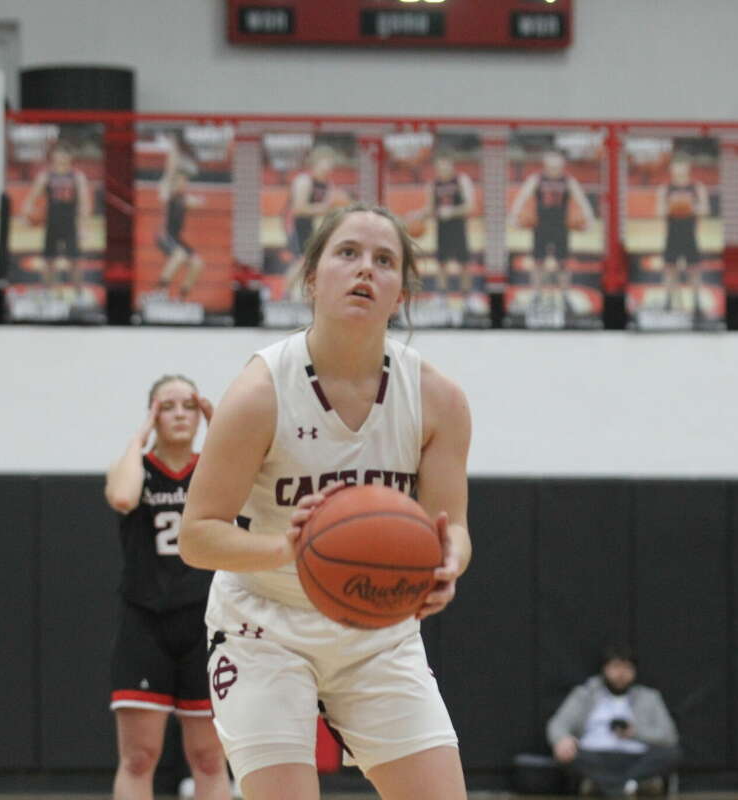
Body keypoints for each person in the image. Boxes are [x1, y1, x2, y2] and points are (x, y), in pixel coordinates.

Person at [180, 202, 473, 800]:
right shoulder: (260, 392)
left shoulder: (437, 398)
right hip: (263, 625)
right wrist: (289, 550)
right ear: (313, 279)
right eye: (348, 253)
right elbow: (197, 535)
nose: (365, 268)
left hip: (378, 625)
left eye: (384, 260)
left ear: (401, 292)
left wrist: (446, 565)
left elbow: (455, 527)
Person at [104, 375, 230, 800]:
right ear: (153, 416)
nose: (179, 414)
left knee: (209, 760)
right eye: (167, 406)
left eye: (189, 406)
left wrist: (222, 428)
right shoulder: (134, 470)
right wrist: (138, 438)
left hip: (205, 625)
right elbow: (123, 497)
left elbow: (256, 478)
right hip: (146, 624)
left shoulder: (213, 470)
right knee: (139, 758)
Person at [546, 645, 681, 797]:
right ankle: (630, 786)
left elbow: (670, 736)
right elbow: (557, 724)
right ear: (604, 669)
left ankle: (604, 786)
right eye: (616, 667)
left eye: (627, 668)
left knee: (672, 754)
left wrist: (635, 732)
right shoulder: (585, 694)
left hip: (635, 757)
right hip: (595, 756)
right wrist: (562, 739)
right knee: (566, 754)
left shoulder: (649, 697)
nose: (621, 674)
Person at [507, 148, 594, 304]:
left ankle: (565, 294)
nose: (554, 169)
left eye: (557, 166)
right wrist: (513, 215)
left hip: (560, 225)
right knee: (538, 261)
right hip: (541, 225)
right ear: (545, 165)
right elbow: (522, 197)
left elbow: (581, 200)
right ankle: (536, 293)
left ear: (562, 165)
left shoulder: (568, 180)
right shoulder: (536, 179)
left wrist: (590, 219)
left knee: (562, 263)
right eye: (551, 166)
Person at [410, 152, 480, 310]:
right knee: (441, 263)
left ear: (451, 164)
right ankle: (441, 296)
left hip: (458, 227)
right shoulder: (433, 185)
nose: (442, 168)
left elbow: (471, 206)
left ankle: (467, 297)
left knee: (464, 263)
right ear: (436, 167)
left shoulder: (461, 180)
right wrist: (418, 214)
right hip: (442, 228)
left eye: (445, 164)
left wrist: (452, 211)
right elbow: (430, 209)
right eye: (439, 166)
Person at [19, 141, 93, 290]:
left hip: (70, 223)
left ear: (70, 157)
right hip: (52, 222)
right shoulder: (45, 176)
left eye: (64, 154)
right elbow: (31, 199)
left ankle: (78, 293)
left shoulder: (77, 177)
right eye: (58, 154)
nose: (61, 157)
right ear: (53, 156)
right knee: (48, 260)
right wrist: (25, 215)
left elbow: (85, 203)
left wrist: (83, 227)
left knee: (74, 261)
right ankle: (48, 292)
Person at [655, 156, 709, 318]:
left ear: (687, 168)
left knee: (694, 271)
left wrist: (688, 206)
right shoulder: (665, 188)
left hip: (689, 234)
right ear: (672, 169)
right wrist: (674, 206)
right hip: (672, 235)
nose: (679, 169)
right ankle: (668, 302)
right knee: (670, 270)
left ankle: (697, 303)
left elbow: (705, 209)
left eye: (682, 165)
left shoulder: (697, 187)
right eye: (676, 166)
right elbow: (659, 211)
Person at [155, 143, 205, 300]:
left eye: (185, 181)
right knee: (179, 256)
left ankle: (181, 298)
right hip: (164, 235)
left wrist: (198, 201)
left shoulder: (184, 199)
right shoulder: (168, 194)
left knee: (197, 263)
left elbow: (196, 202)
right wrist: (174, 150)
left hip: (176, 238)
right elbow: (169, 171)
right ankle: (160, 292)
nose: (184, 184)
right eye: (181, 181)